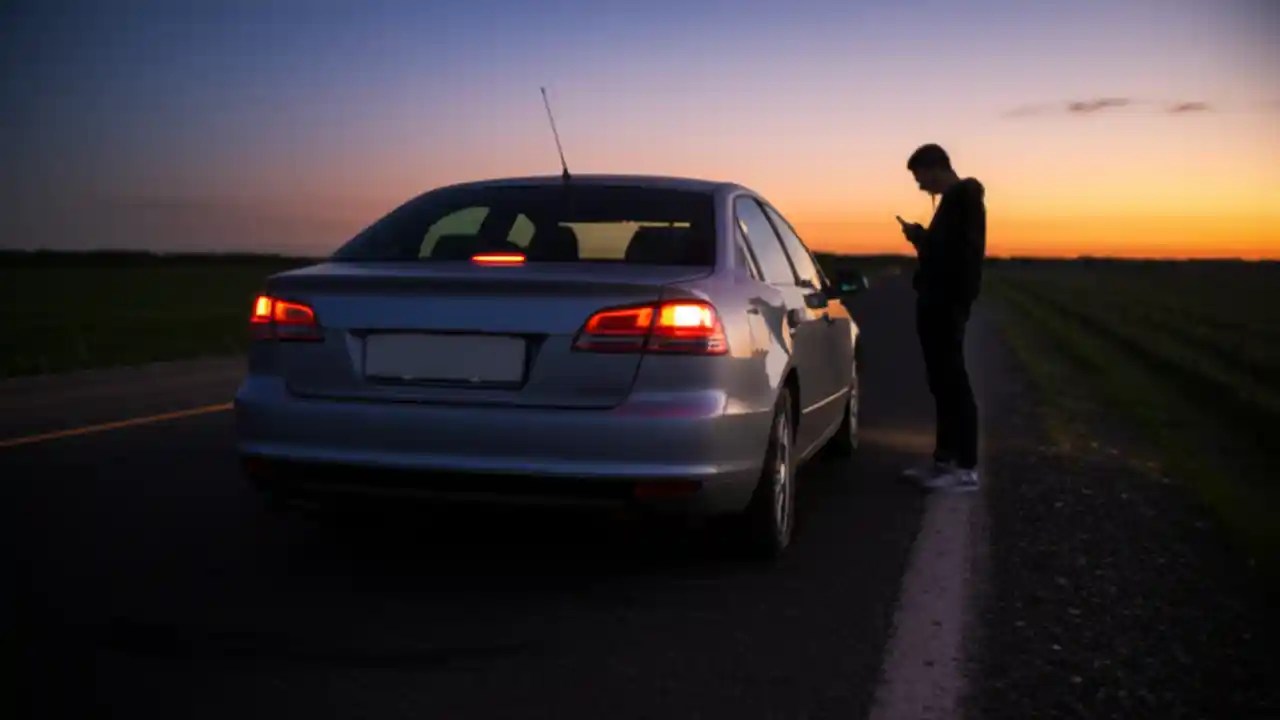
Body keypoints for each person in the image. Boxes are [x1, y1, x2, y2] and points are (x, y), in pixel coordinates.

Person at [896, 144, 985, 492]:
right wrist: (924, 239)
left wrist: (920, 237)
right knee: (942, 383)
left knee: (952, 383)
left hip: (946, 304)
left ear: (935, 168)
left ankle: (965, 469)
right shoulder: (956, 202)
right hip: (939, 302)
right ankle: (945, 461)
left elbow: (958, 255)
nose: (920, 186)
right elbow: (944, 251)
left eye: (919, 177)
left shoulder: (963, 199)